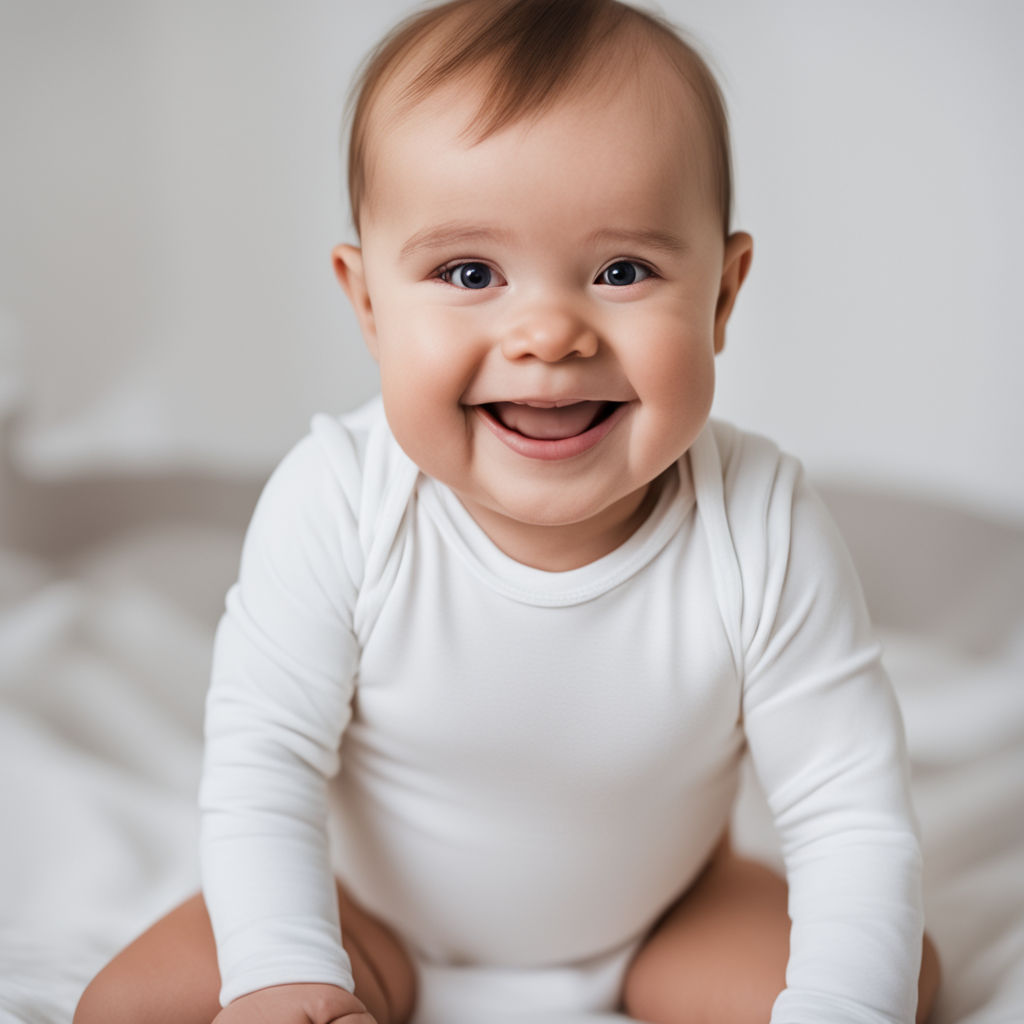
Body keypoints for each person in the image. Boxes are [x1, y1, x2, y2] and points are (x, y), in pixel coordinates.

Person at [75, 1, 941, 1022]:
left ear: (720, 296)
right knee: (121, 1009)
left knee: (891, 973)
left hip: (667, 922)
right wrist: (284, 967)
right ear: (367, 304)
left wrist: (841, 997)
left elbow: (847, 810)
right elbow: (265, 761)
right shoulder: (338, 501)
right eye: (469, 272)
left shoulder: (762, 522)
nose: (545, 332)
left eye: (621, 271)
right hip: (365, 919)